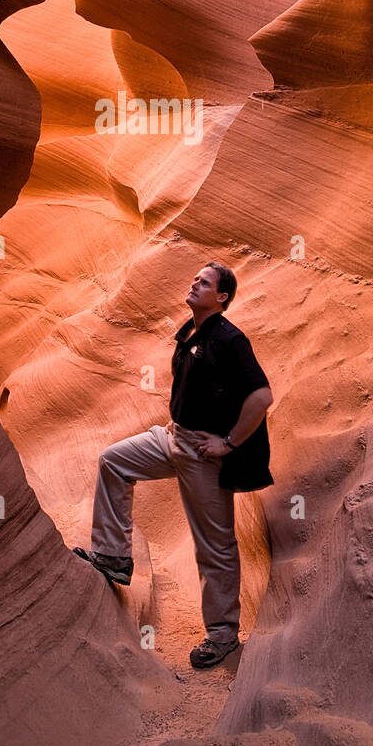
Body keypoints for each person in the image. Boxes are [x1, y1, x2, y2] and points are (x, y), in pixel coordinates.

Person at [73, 261, 273, 669]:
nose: (195, 283)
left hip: (203, 454)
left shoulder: (229, 339)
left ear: (222, 297)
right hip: (173, 437)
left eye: (205, 282)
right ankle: (114, 556)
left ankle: (222, 637)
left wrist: (228, 443)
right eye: (195, 277)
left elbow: (261, 397)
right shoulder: (190, 331)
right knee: (114, 461)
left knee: (214, 546)